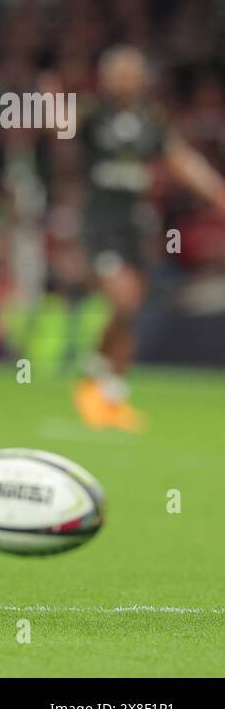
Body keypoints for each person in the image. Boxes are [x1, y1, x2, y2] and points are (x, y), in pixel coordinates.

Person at [69, 45, 225, 432]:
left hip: (135, 224)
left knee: (133, 308)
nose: (124, 79)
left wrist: (217, 193)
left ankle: (112, 395)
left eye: (131, 72)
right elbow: (59, 126)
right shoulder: (92, 115)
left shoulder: (150, 121)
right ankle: (93, 371)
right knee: (122, 299)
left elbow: (180, 158)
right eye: (118, 72)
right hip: (100, 224)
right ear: (106, 78)